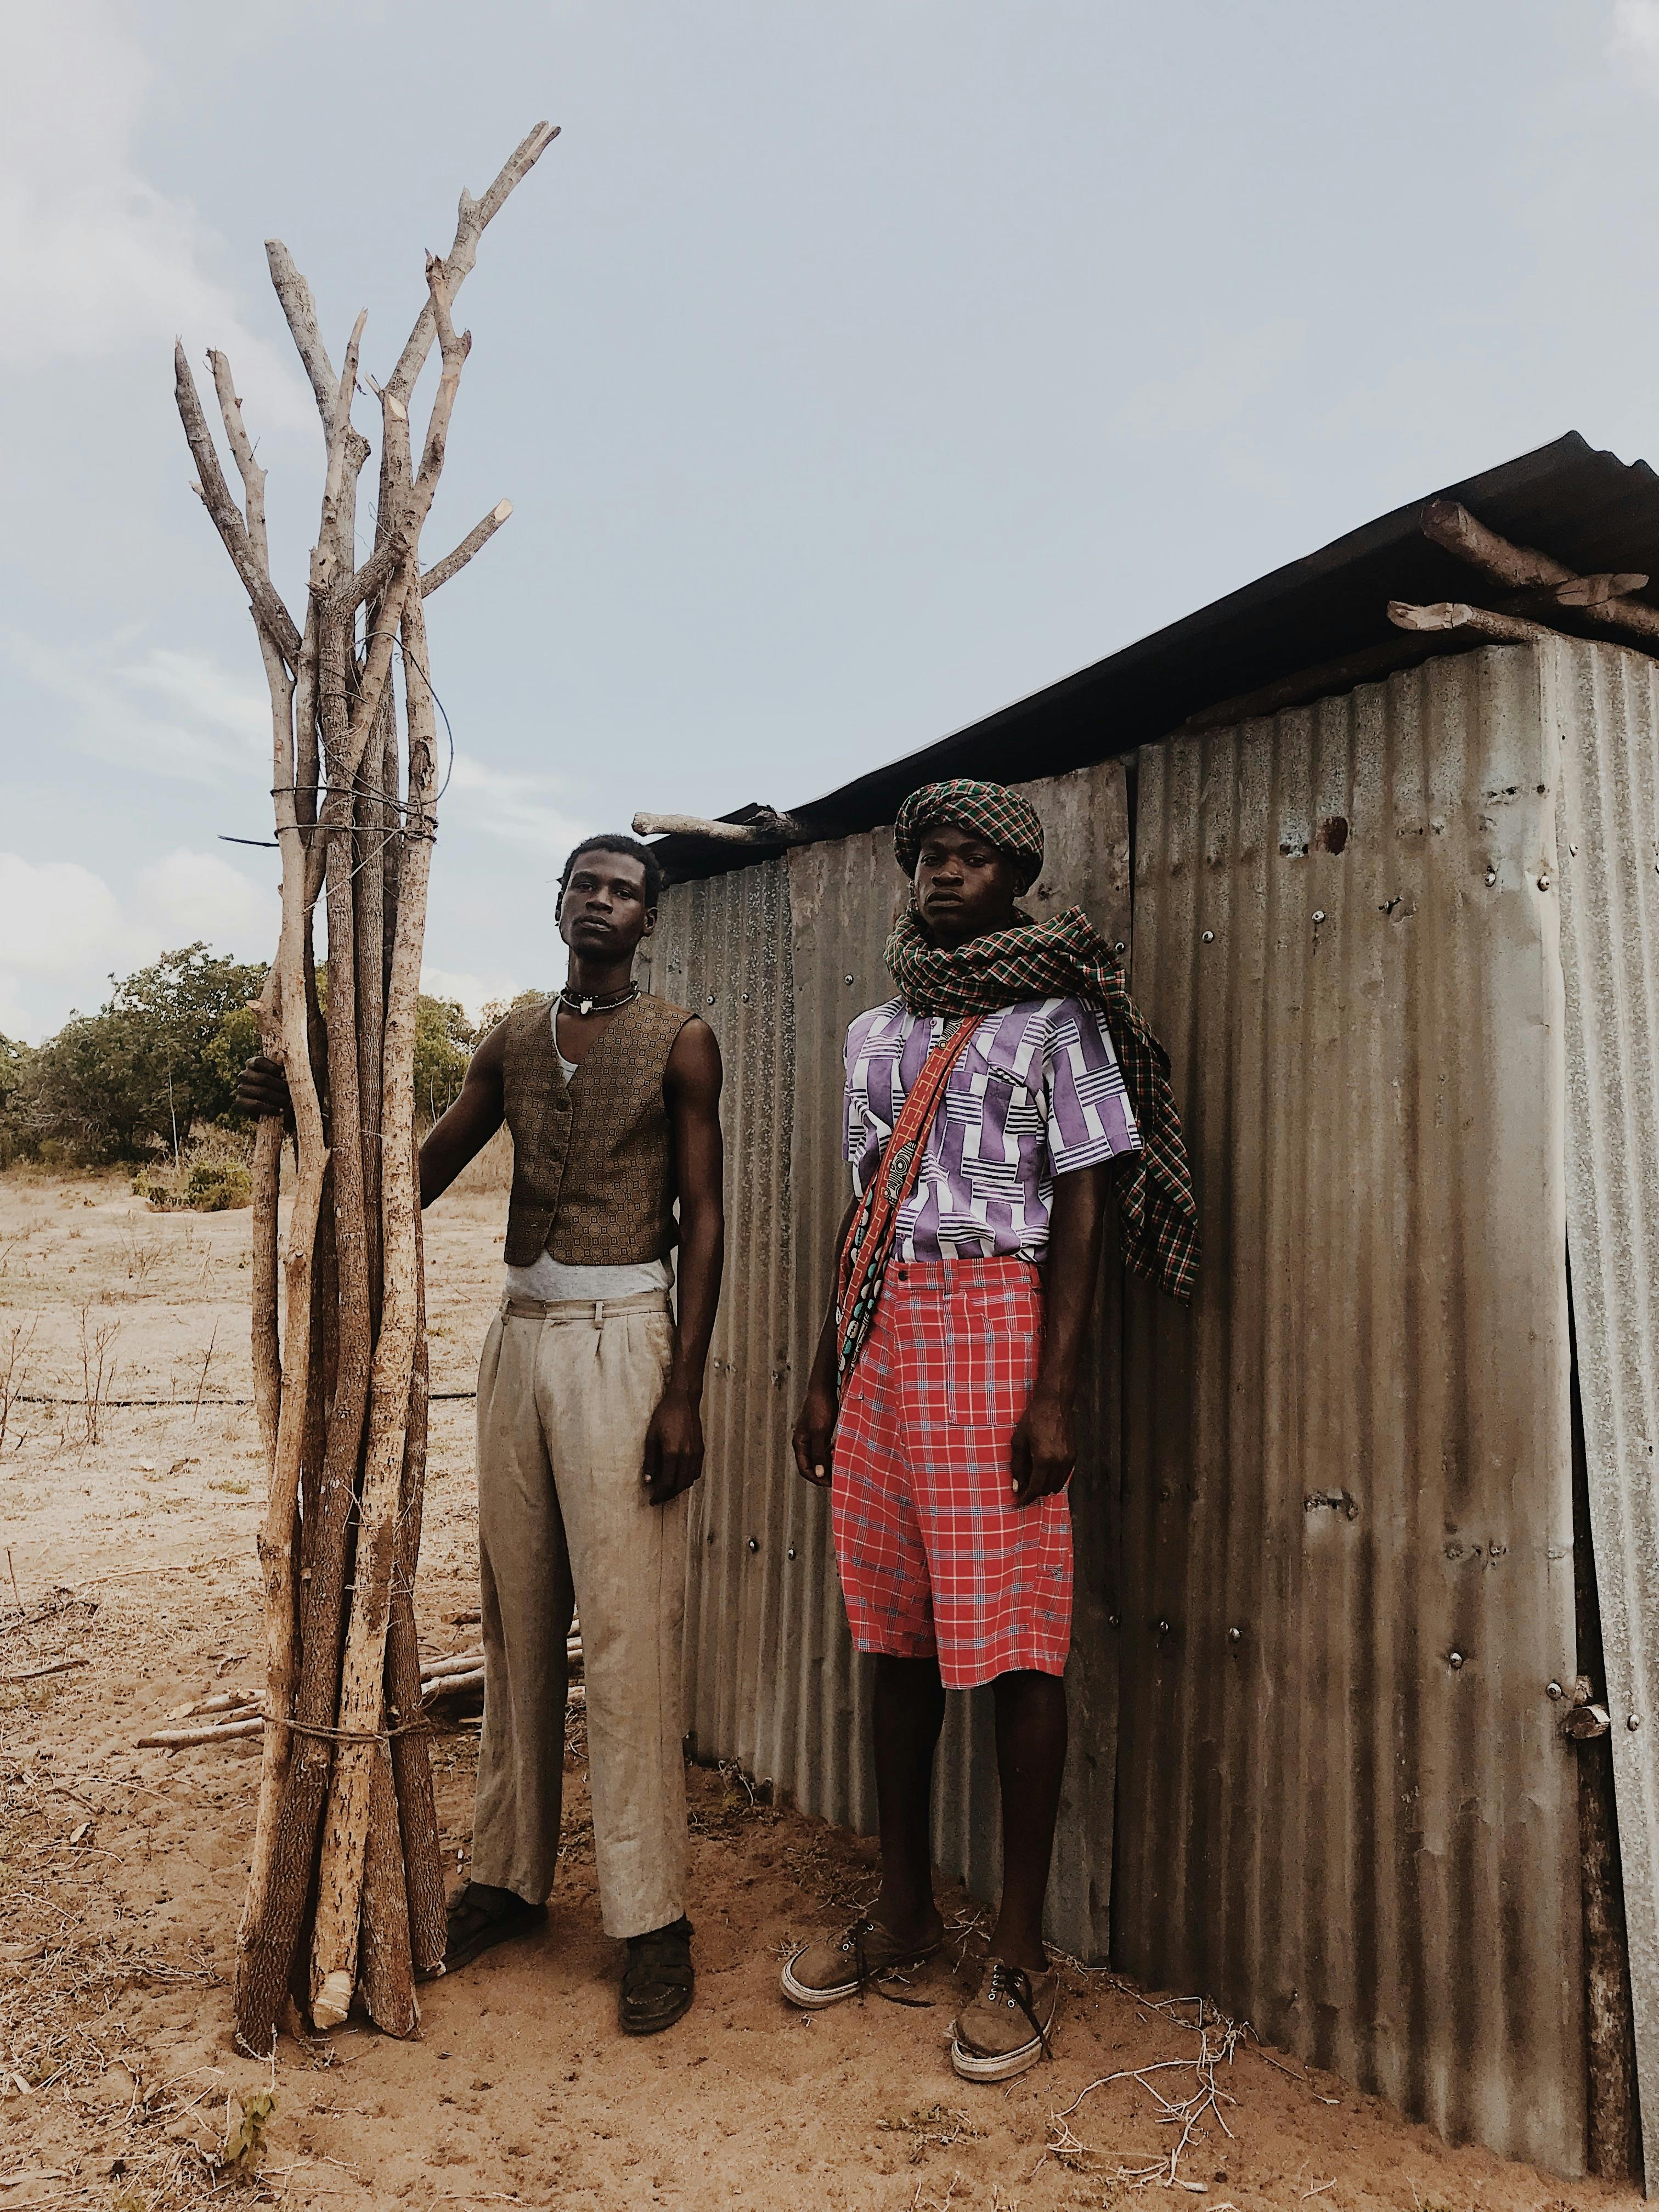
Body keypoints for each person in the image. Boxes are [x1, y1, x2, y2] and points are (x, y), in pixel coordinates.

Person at [237, 834, 724, 2036]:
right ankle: (509, 1878)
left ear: (648, 920)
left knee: (626, 1631)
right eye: (585, 884)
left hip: (627, 1338)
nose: (601, 902)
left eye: (624, 890)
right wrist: (305, 1130)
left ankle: (651, 1917)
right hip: (519, 1340)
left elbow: (705, 1220)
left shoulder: (682, 1038)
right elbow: (418, 1175)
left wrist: (684, 1393)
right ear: (558, 903)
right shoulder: (511, 1036)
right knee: (516, 1622)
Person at [783, 778, 1195, 2082]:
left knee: (1016, 1642)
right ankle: (905, 1909)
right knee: (893, 1629)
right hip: (884, 1327)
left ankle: (1016, 1952)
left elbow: (1081, 1212)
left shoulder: (1059, 1026)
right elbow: (865, 1208)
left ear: (1017, 881)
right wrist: (820, 1369)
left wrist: (1057, 1391)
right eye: (932, 858)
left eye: (973, 859)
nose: (945, 875)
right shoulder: (872, 1034)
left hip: (994, 1320)